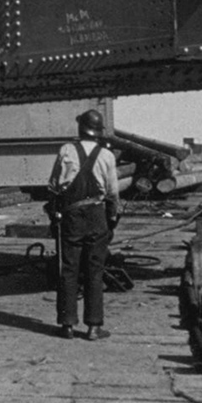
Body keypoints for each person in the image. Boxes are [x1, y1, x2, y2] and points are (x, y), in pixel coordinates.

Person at [46, 108, 120, 341]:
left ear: (81, 128)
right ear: (98, 132)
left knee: (68, 270)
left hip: (72, 215)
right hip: (97, 214)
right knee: (94, 272)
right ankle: (94, 327)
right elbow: (112, 193)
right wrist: (111, 218)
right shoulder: (107, 156)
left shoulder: (66, 150)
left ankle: (67, 324)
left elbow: (54, 185)